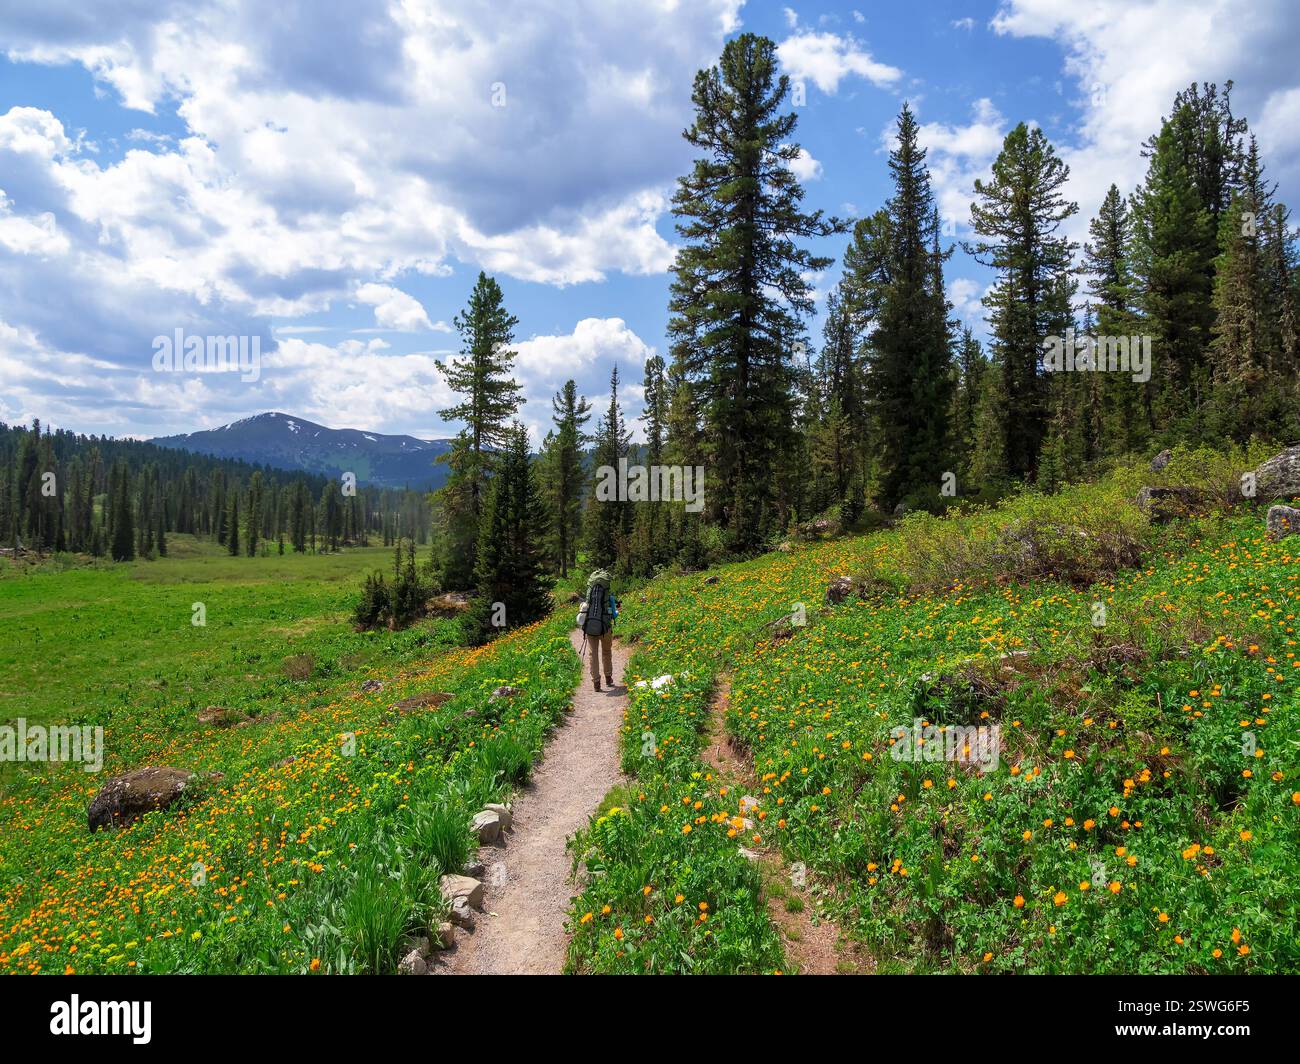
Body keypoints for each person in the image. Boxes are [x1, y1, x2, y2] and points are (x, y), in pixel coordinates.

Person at [576, 567, 618, 691]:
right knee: (606, 651)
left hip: (590, 625)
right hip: (605, 625)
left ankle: (596, 683)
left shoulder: (590, 591)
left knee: (592, 653)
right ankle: (608, 677)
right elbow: (614, 611)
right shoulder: (607, 592)